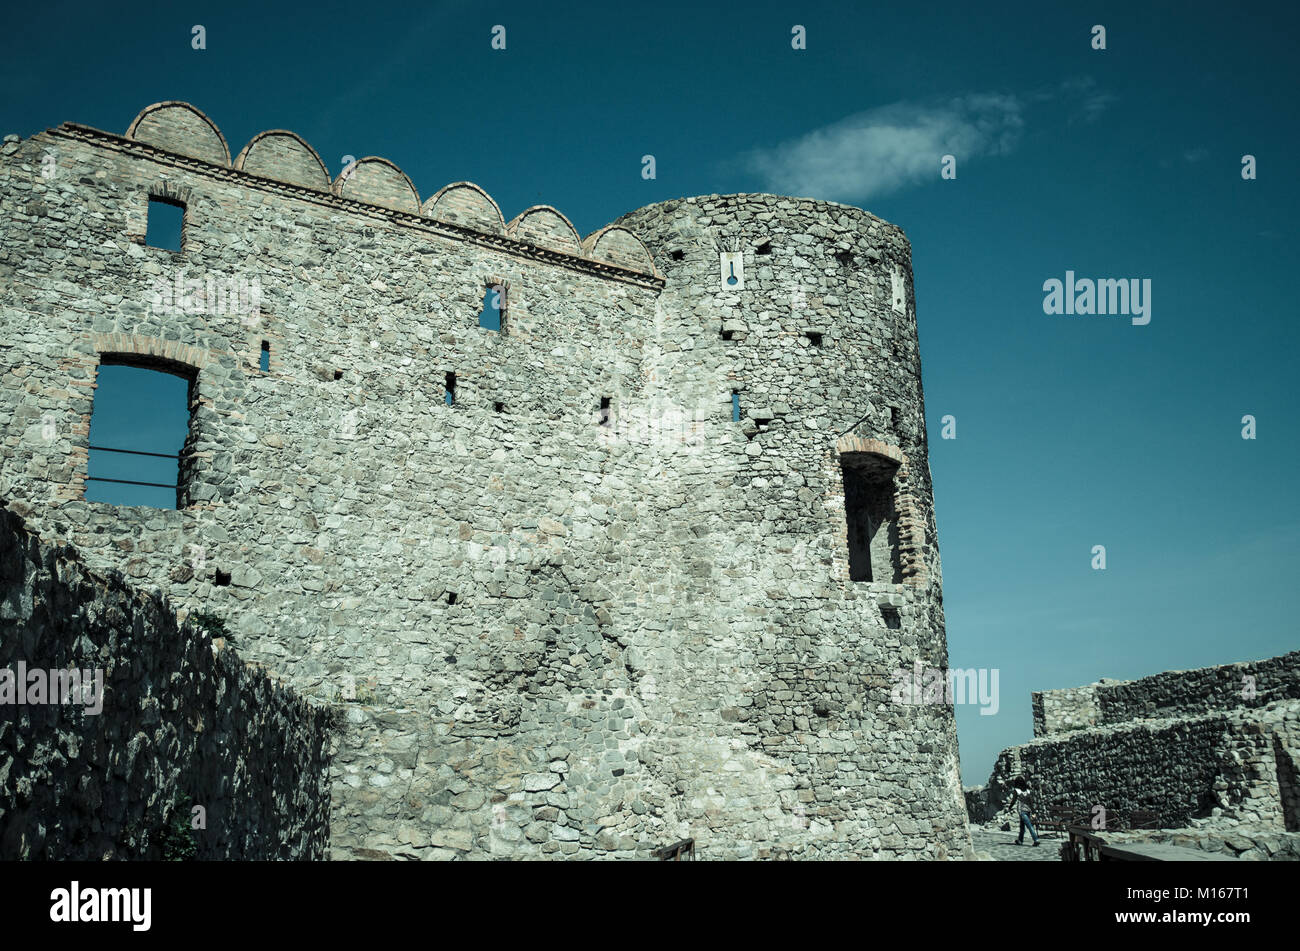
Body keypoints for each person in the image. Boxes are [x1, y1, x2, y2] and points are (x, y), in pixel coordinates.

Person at [1008, 777, 1040, 846]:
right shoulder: (1028, 791)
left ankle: (1036, 839)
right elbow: (1031, 802)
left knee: (1029, 825)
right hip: (1028, 810)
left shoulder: (1017, 791)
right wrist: (1033, 811)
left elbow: (1014, 800)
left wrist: (1010, 807)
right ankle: (1020, 840)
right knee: (1022, 826)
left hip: (1021, 810)